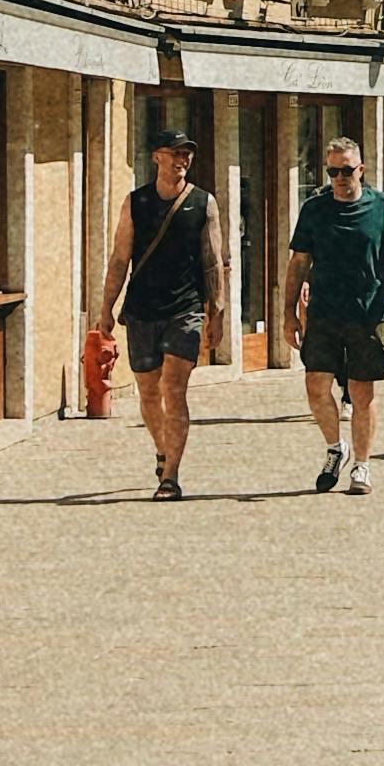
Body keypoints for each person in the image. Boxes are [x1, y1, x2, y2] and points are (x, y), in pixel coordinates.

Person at [93, 114, 226, 498]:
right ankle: (161, 449)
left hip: (185, 310)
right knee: (148, 392)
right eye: (175, 153)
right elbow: (120, 259)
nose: (182, 160)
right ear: (157, 157)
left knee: (174, 389)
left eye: (187, 154)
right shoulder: (137, 203)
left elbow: (212, 260)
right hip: (142, 309)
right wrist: (105, 309)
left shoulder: (203, 203)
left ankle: (171, 476)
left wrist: (216, 313)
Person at [285, 129, 384, 497]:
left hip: (368, 314)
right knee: (316, 387)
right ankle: (334, 447)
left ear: (362, 170)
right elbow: (298, 262)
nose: (340, 179)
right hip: (323, 312)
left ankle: (362, 465)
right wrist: (288, 313)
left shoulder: (382, 206)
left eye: (347, 171)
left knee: (362, 393)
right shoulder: (315, 209)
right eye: (333, 172)